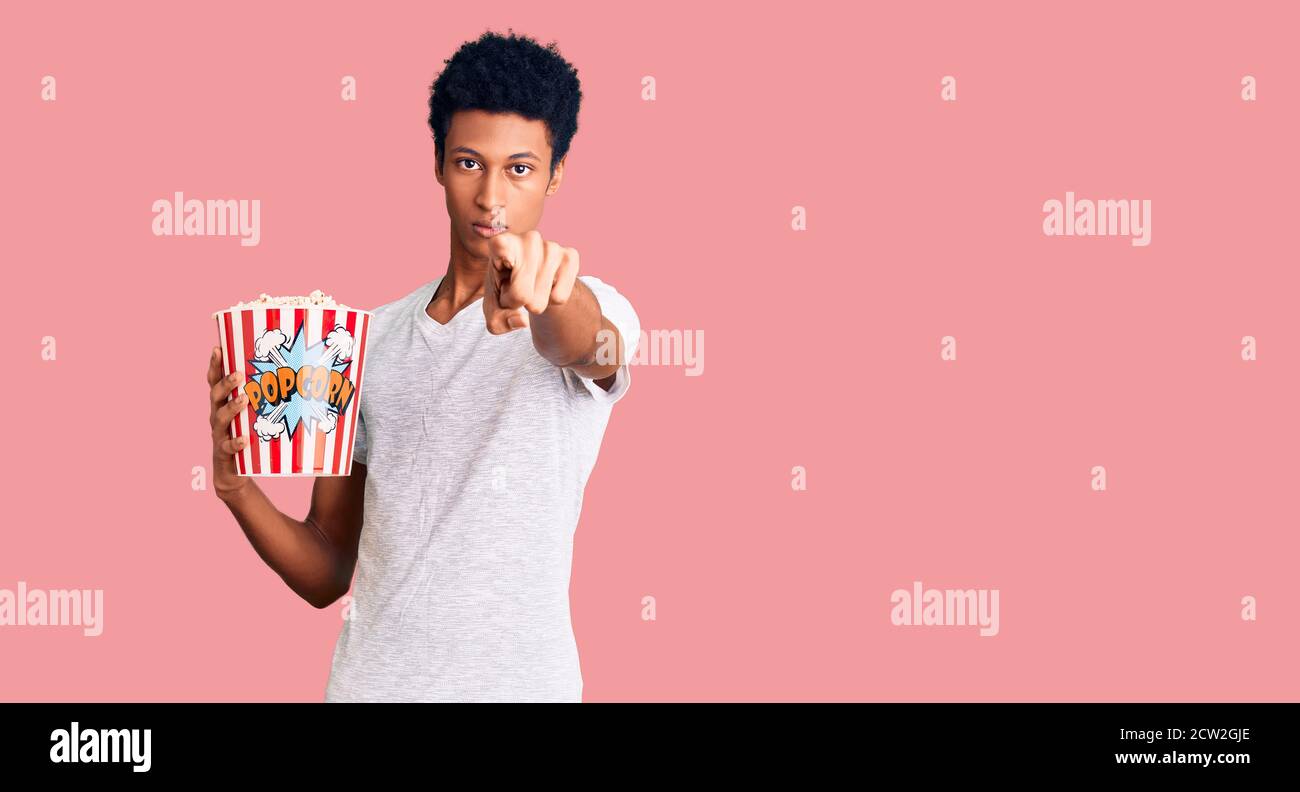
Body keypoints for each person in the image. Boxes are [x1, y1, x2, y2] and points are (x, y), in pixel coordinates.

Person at [204, 29, 639, 702]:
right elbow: (326, 569)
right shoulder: (364, 340)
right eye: (470, 163)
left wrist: (545, 292)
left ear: (556, 173)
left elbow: (587, 347)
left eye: (519, 168)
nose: (491, 196)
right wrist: (237, 489)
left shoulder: (587, 306)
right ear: (439, 163)